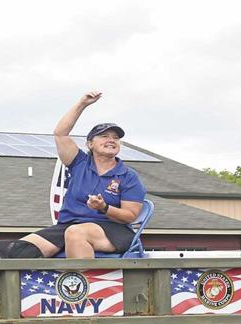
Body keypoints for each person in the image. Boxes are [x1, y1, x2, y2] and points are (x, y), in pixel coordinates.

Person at [11, 92, 148, 260]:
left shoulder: (128, 176)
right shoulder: (79, 163)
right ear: (90, 144)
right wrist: (82, 103)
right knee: (19, 250)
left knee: (76, 234)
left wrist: (104, 208)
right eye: (104, 136)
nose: (111, 140)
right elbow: (60, 134)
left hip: (112, 230)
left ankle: (78, 285)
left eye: (116, 138)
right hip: (68, 226)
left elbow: (130, 216)